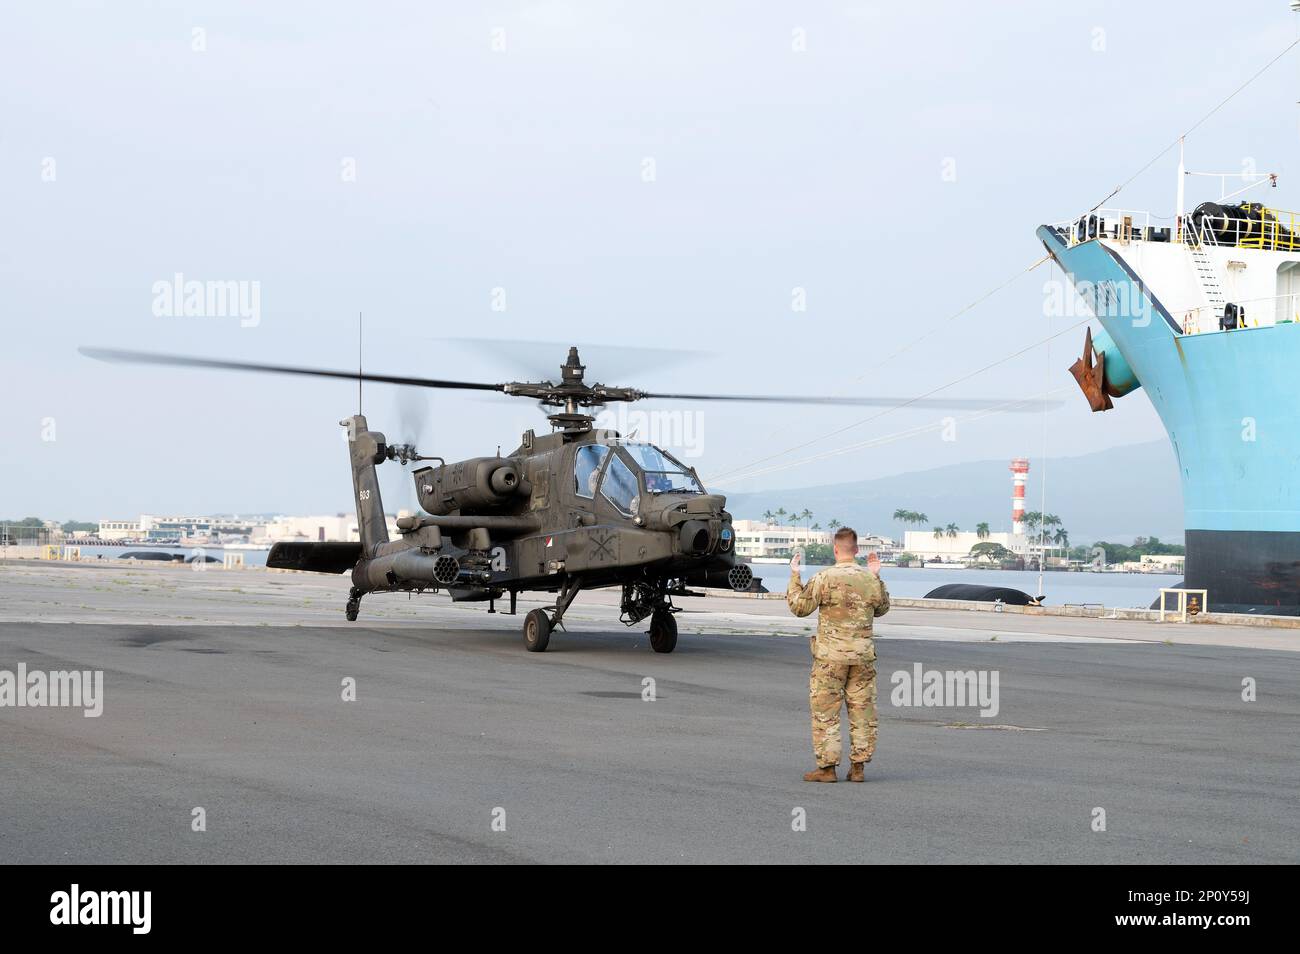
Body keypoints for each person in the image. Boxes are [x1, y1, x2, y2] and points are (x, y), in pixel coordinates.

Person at [787, 527, 890, 783]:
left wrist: (794, 575)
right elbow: (882, 609)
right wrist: (876, 577)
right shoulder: (868, 579)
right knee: (862, 712)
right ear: (856, 550)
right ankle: (858, 768)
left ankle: (827, 768)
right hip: (862, 659)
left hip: (830, 659)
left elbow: (800, 608)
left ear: (835, 549)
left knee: (826, 712)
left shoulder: (824, 577)